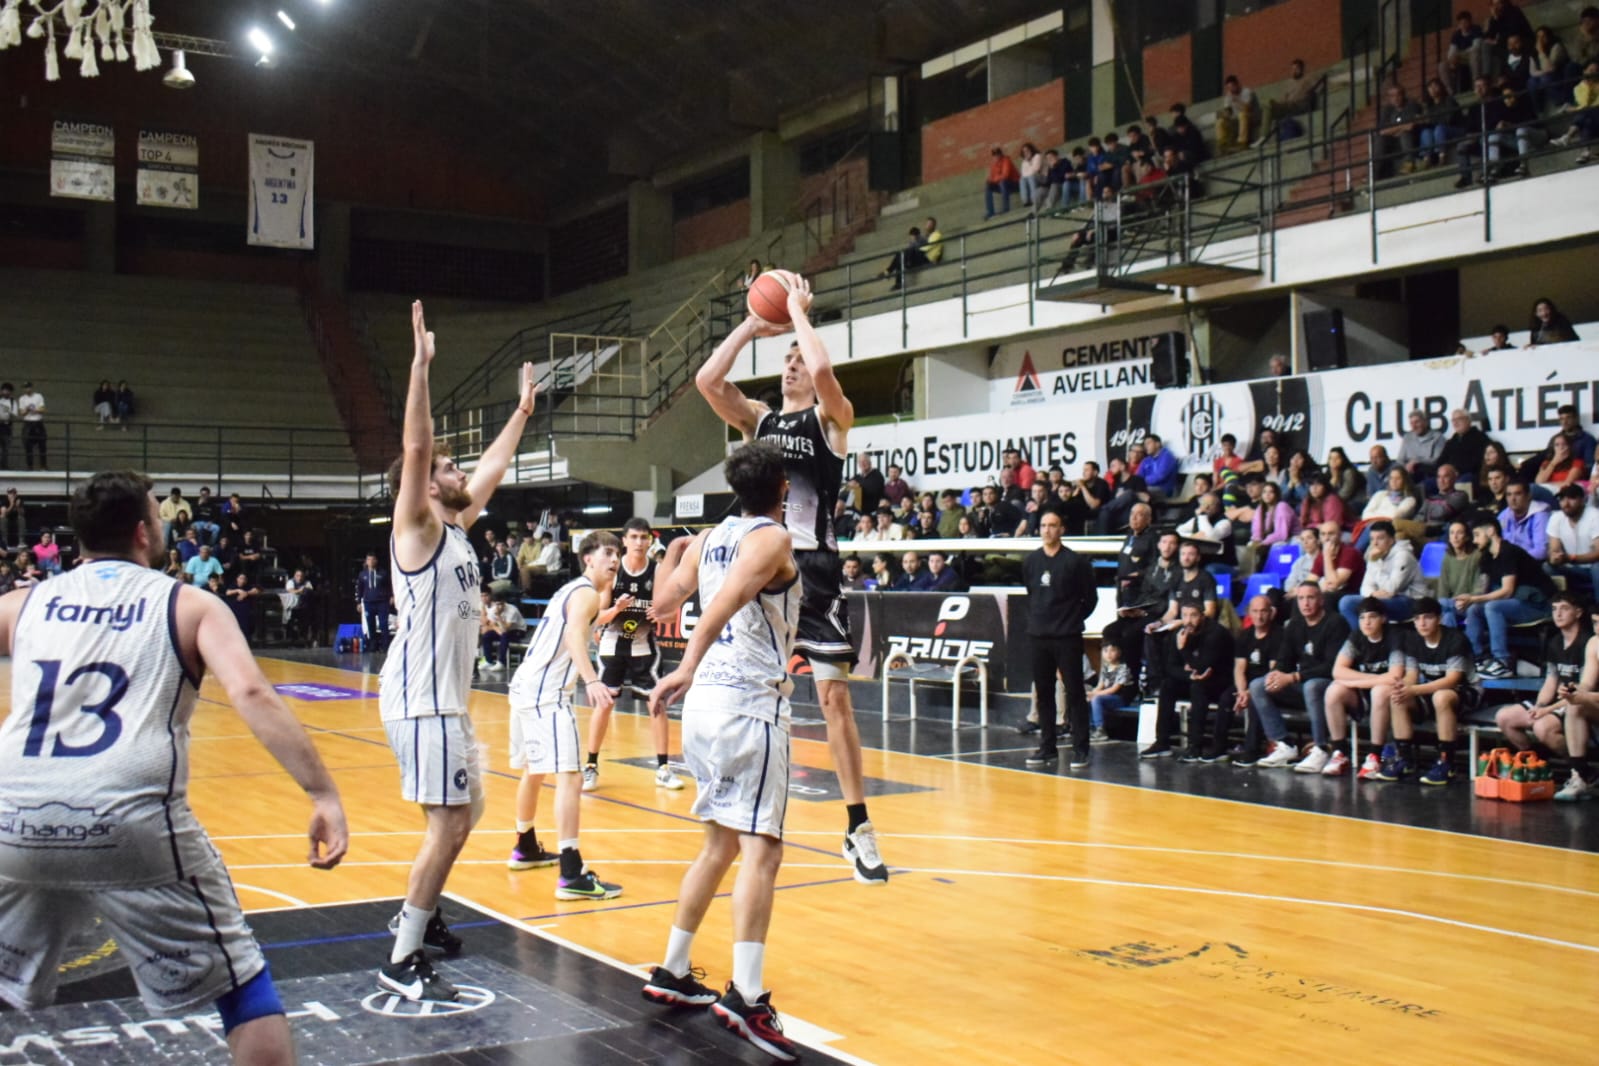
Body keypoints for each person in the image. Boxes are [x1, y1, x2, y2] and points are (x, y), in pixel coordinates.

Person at [0, 470, 347, 1062]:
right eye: (158, 513)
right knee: (242, 986)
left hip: (16, 819)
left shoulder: (20, 603)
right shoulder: (189, 603)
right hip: (128, 819)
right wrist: (323, 794)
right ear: (143, 531)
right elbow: (252, 692)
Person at [684, 271, 887, 885]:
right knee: (746, 682)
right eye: (787, 360)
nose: (793, 365)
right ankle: (726, 793)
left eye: (799, 357)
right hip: (759, 561)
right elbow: (707, 381)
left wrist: (798, 313)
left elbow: (824, 372)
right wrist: (753, 322)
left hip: (815, 569)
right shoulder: (760, 421)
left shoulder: (831, 420)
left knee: (833, 698)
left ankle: (858, 826)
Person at [377, 300, 540, 1002]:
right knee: (448, 822)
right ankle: (403, 953)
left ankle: (423, 912)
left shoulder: (456, 528)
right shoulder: (415, 525)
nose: (457, 468)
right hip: (421, 699)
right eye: (448, 466)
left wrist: (523, 413)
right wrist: (420, 367)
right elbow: (416, 449)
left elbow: (494, 467)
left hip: (444, 700)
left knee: (464, 813)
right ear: (422, 484)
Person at [641, 440, 802, 1063]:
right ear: (783, 486)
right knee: (763, 850)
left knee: (720, 845)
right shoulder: (773, 539)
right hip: (743, 702)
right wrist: (685, 664)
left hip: (703, 708)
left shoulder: (706, 539)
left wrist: (668, 556)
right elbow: (728, 599)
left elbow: (658, 606)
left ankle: (673, 968)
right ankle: (748, 997)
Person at [503, 530, 626, 903]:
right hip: (548, 694)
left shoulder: (573, 591)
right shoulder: (586, 593)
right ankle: (571, 873)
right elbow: (574, 636)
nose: (615, 559)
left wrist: (613, 613)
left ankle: (525, 846)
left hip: (524, 687)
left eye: (617, 553)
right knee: (570, 776)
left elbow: (587, 621)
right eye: (608, 552)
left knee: (534, 769)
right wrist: (592, 679)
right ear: (588, 557)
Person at [585, 517, 680, 792]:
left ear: (650, 541)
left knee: (656, 703)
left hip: (643, 647)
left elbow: (671, 614)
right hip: (613, 645)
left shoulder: (658, 571)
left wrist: (662, 614)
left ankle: (663, 768)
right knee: (604, 704)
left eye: (644, 537)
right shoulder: (614, 571)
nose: (639, 542)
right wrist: (617, 609)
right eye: (634, 537)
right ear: (624, 540)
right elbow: (599, 616)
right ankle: (590, 765)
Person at [1021, 509, 1095, 770]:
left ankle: (1081, 749)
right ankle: (1047, 746)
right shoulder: (1031, 561)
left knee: (1074, 693)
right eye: (1043, 525)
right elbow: (1031, 593)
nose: (1047, 530)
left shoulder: (1075, 562)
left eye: (1052, 525)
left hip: (1067, 636)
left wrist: (1071, 619)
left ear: (1062, 529)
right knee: (1043, 693)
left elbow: (1090, 599)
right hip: (1039, 636)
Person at [1250, 581, 1351, 770]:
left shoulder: (1336, 623)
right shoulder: (1295, 624)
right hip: (1301, 683)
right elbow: (1284, 659)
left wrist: (1294, 677)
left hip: (1329, 685)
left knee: (1312, 686)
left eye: (1310, 598)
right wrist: (1275, 674)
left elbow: (1332, 667)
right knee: (1258, 685)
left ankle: (1321, 748)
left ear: (1321, 600)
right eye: (1301, 598)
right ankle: (1284, 744)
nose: (1305, 603)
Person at [1384, 597, 1484, 784]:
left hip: (1467, 691)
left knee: (1441, 697)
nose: (1422, 623)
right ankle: (1404, 759)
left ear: (1439, 619)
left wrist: (1414, 690)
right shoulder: (1413, 640)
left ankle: (1447, 762)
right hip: (1432, 691)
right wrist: (1403, 686)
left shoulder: (1455, 639)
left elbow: (1452, 679)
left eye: (1427, 617)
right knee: (1398, 697)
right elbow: (1412, 675)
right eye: (1417, 619)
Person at [1456, 512, 1554, 678]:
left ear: (1491, 531)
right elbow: (1483, 589)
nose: (1474, 540)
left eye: (1477, 535)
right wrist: (1468, 599)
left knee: (1493, 607)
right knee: (1474, 609)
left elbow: (1507, 591)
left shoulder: (1509, 552)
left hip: (1538, 604)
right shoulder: (1486, 557)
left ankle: (1502, 662)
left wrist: (1474, 599)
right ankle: (1476, 658)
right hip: (1515, 603)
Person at [1494, 591, 1591, 755]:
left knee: (1542, 727)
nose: (1558, 614)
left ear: (1578, 612)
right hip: (1557, 699)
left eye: (1564, 608)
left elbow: (1583, 688)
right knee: (1504, 717)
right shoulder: (1555, 642)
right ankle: (1534, 760)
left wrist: (1547, 710)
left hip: (1578, 702)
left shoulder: (1588, 642)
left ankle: (1578, 763)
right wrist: (1539, 706)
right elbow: (1550, 681)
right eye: (1554, 609)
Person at [1324, 598, 1408, 778]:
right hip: (1365, 693)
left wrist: (1354, 682)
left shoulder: (1395, 636)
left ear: (1383, 619)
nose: (1367, 622)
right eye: (1362, 618)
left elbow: (1395, 676)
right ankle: (1339, 753)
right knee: (1334, 691)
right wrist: (1374, 679)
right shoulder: (1356, 636)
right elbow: (1337, 671)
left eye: (1372, 617)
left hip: (1391, 695)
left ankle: (1374, 755)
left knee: (1380, 690)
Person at [1144, 601, 1235, 761]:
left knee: (1198, 687)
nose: (1188, 621)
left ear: (1202, 616)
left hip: (1221, 681)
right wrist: (1189, 675)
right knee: (1168, 685)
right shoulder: (1179, 632)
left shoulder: (1216, 633)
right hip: (1196, 679)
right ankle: (1162, 742)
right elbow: (1170, 667)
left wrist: (1184, 650)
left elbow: (1204, 668)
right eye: (1185, 615)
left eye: (1193, 615)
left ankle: (1195, 746)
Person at [1229, 595, 1295, 767]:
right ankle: (1218, 747)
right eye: (1255, 611)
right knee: (1225, 698)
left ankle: (1251, 751)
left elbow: (1273, 671)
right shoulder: (1244, 635)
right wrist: (1242, 691)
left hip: (1271, 683)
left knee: (1256, 697)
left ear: (1271, 612)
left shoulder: (1279, 634)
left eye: (1263, 611)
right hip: (1248, 684)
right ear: (1249, 613)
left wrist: (1249, 692)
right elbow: (1239, 668)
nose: (1259, 616)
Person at [1340, 520, 1426, 629]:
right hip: (1385, 599)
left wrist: (1375, 562)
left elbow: (1391, 589)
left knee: (1349, 602)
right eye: (1372, 539)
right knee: (1346, 602)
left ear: (1391, 540)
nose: (1375, 543)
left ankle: (1361, 637)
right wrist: (1372, 594)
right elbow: (1365, 586)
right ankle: (1362, 636)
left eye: (1380, 538)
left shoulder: (1403, 555)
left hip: (1411, 601)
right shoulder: (1375, 556)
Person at [1547, 483, 1599, 593]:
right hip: (1573, 569)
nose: (1566, 503)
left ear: (1582, 500)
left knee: (1597, 567)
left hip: (1592, 569)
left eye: (1571, 498)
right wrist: (1554, 557)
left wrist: (1571, 558)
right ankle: (1560, 601)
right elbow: (1554, 548)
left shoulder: (1595, 516)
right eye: (1562, 499)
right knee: (1547, 567)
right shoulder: (1556, 518)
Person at [1086, 641, 1130, 744]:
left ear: (1119, 652)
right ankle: (1091, 727)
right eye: (1105, 651)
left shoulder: (1123, 668)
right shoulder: (1105, 668)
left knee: (1096, 699)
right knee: (1088, 698)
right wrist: (1090, 693)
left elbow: (1114, 689)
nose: (1109, 654)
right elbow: (1100, 686)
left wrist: (1095, 694)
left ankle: (1100, 729)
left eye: (1112, 650)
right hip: (1106, 697)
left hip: (1119, 698)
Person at [478, 589, 527, 672]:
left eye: (500, 604)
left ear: (504, 602)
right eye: (497, 604)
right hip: (501, 629)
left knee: (504, 636)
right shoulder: (493, 610)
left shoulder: (512, 610)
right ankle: (488, 660)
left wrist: (499, 616)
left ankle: (501, 662)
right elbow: (492, 625)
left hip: (518, 630)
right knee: (487, 636)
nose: (499, 607)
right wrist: (498, 630)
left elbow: (506, 628)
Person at [356, 551, 392, 651]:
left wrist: (391, 596)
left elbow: (389, 585)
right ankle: (373, 645)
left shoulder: (383, 573)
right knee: (370, 624)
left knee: (383, 624)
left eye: (373, 559)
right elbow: (359, 589)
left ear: (376, 561)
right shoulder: (362, 574)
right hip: (368, 602)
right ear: (366, 561)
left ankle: (385, 646)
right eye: (369, 559)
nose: (371, 561)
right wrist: (358, 602)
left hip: (382, 602)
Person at [984, 145, 1021, 218]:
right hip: (1003, 186)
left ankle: (1005, 208)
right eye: (994, 154)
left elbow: (1005, 175)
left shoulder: (1006, 160)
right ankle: (990, 212)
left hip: (1015, 184)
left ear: (1001, 154)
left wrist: (995, 178)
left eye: (997, 154)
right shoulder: (993, 164)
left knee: (1002, 182)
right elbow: (989, 178)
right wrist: (993, 179)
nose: (996, 156)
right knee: (988, 185)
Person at [16, 382, 45, 470]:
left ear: (32, 387)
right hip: (28, 423)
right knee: (27, 445)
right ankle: (30, 466)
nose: (26, 389)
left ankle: (43, 466)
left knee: (42, 444)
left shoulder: (38, 396)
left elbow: (42, 409)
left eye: (28, 387)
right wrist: (28, 409)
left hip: (38, 422)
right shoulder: (22, 398)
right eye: (25, 388)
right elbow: (22, 413)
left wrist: (35, 410)